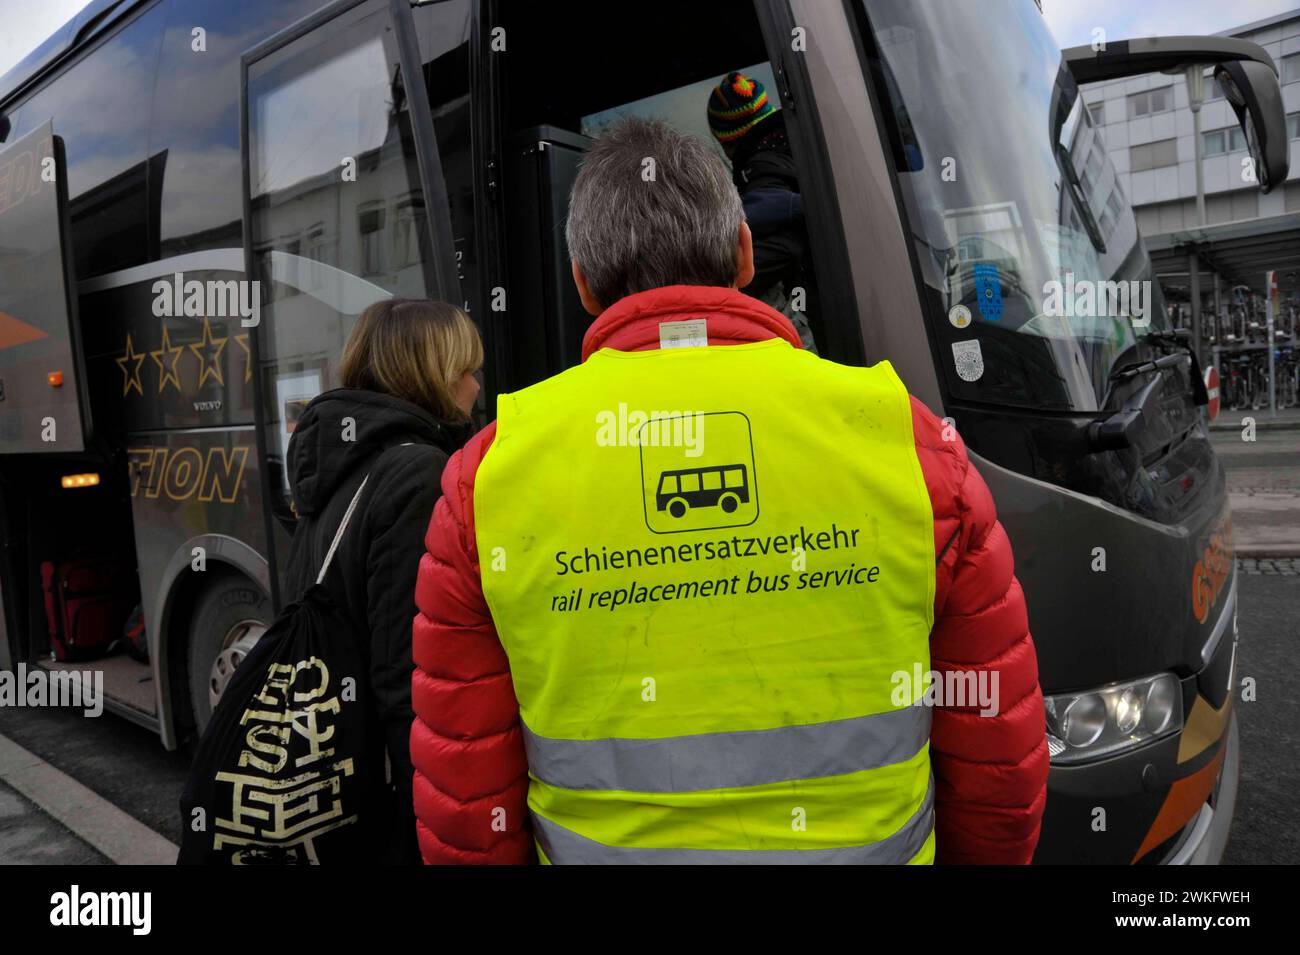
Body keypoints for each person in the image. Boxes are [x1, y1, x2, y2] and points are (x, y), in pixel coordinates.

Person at [410, 117, 1047, 864]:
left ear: (581, 281)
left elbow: (466, 803)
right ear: (744, 255)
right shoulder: (910, 446)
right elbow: (997, 764)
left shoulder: (486, 483)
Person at [283, 297, 480, 864]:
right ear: (432, 375)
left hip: (336, 746)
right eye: (465, 368)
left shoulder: (341, 457)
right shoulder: (416, 472)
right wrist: (430, 823)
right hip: (383, 778)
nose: (475, 385)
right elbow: (406, 670)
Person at [707, 70, 818, 354]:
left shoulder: (761, 167)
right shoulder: (801, 149)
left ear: (730, 143)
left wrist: (716, 287)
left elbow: (785, 247)